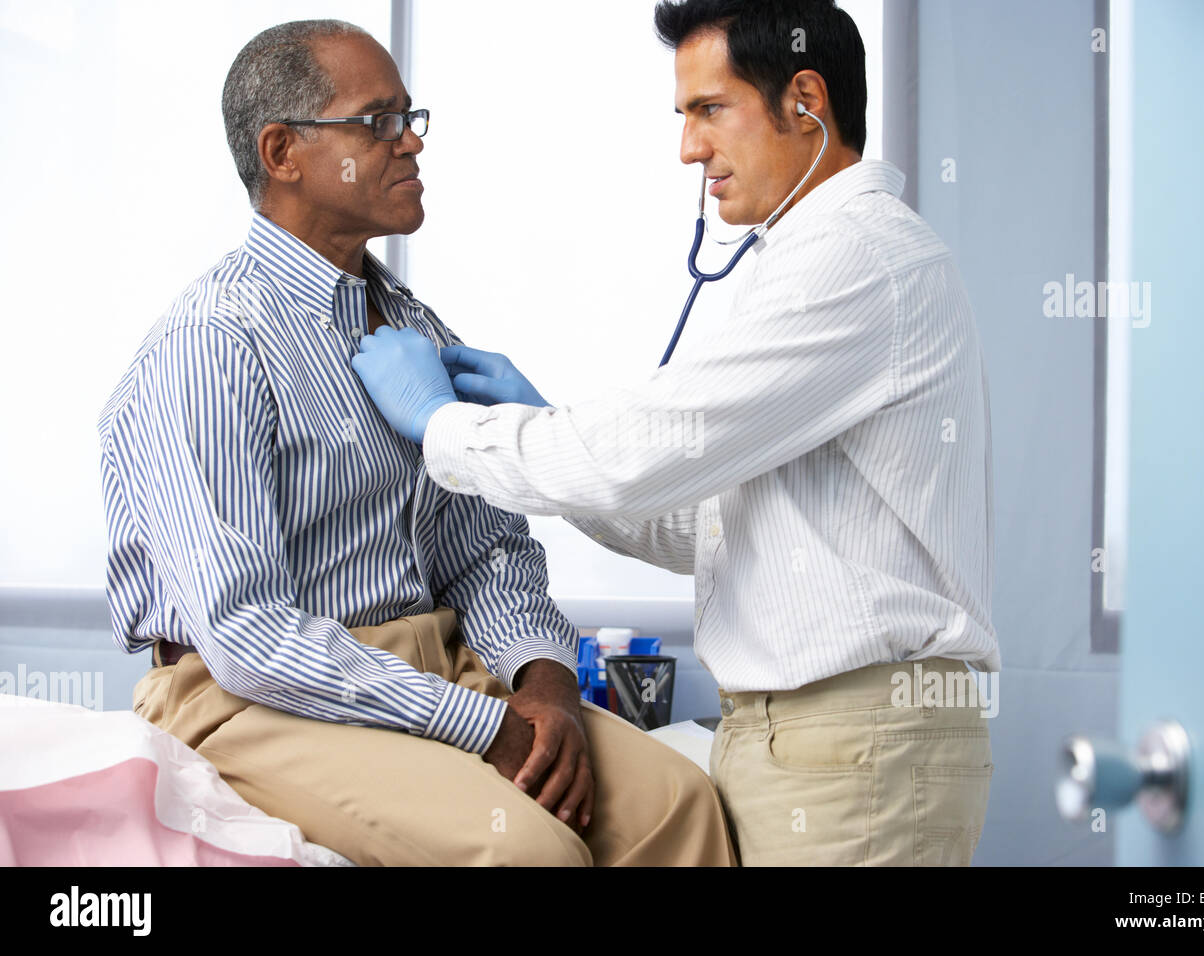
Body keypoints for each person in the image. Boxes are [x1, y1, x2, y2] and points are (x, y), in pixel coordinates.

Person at [351, 0, 998, 866]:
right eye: (683, 116)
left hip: (853, 745)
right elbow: (713, 527)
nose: (689, 150)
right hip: (811, 742)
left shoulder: (854, 260)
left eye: (709, 110)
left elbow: (635, 459)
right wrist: (538, 429)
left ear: (806, 100)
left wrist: (447, 427)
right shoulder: (813, 258)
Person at [96, 18, 735, 867]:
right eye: (379, 122)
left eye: (411, 118)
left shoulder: (415, 329)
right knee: (528, 852)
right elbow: (245, 631)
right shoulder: (212, 343)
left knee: (681, 804)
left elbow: (485, 552)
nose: (412, 145)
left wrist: (545, 685)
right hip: (253, 697)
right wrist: (484, 725)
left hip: (436, 669)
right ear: (282, 151)